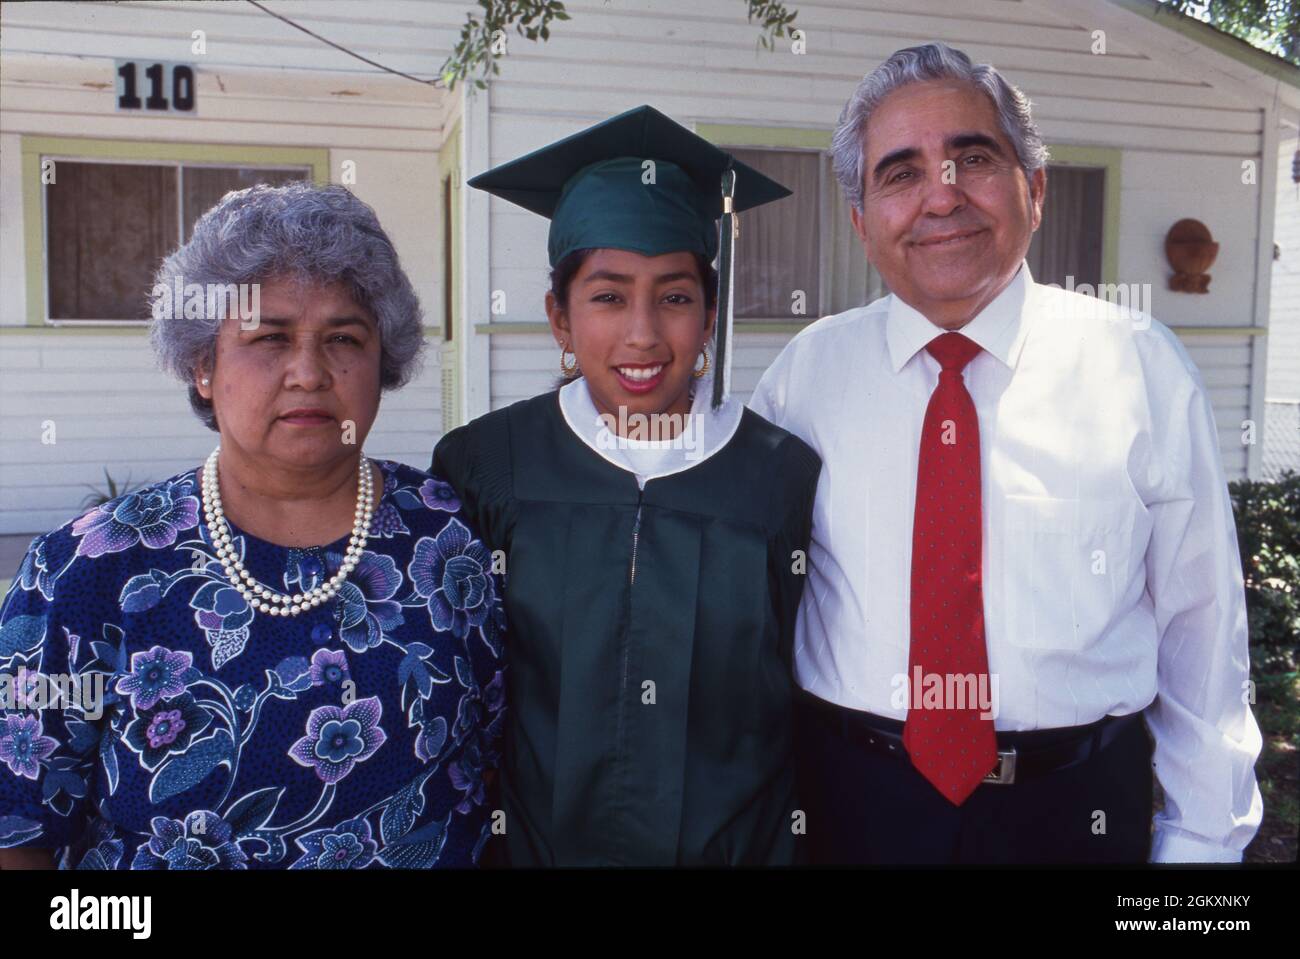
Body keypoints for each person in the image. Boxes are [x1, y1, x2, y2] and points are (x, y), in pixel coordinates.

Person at [750, 42, 1263, 864]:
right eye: (900, 173)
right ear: (860, 221)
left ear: (1036, 188)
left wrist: (1201, 852)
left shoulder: (1139, 367)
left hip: (1076, 815)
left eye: (974, 158)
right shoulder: (804, 377)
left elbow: (1201, 632)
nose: (941, 195)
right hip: (850, 809)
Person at [0, 183, 505, 869]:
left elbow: (505, 765)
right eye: (269, 338)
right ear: (202, 365)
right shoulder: (88, 569)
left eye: (344, 338)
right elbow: (20, 829)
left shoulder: (451, 540)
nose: (309, 373)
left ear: (382, 360)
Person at [432, 105, 821, 866]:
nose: (643, 333)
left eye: (674, 296)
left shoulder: (781, 477)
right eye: (607, 296)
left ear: (709, 315)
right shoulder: (487, 466)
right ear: (559, 317)